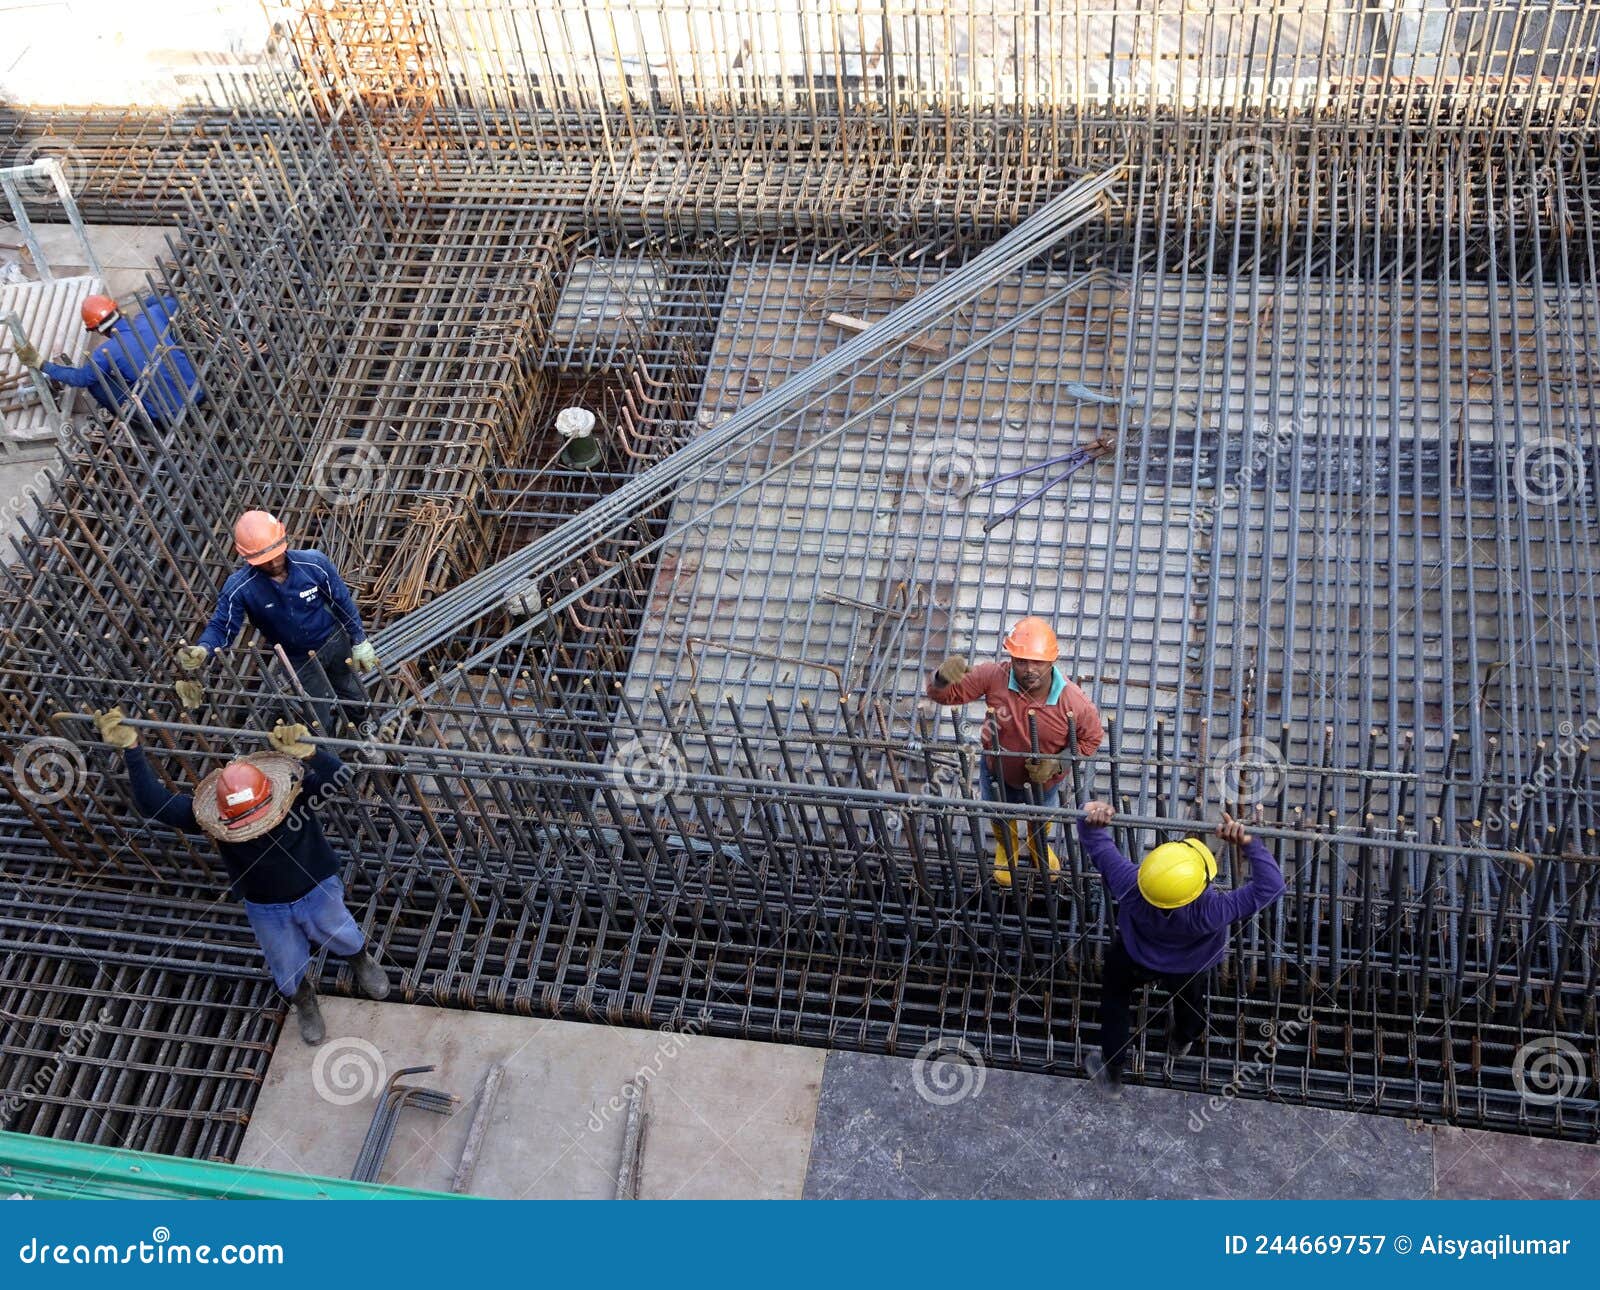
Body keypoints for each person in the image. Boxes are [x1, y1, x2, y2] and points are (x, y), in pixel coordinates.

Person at [94, 709, 389, 1045]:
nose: (252, 829)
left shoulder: (296, 795)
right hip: (266, 907)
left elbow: (341, 775)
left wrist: (311, 753)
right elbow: (154, 804)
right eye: (243, 824)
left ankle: (360, 961)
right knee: (285, 965)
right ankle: (304, 1000)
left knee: (344, 934)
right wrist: (131, 748)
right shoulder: (214, 819)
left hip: (317, 890)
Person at [1078, 800, 1285, 1088]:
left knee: (1115, 999)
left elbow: (1094, 840)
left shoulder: (1130, 884)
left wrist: (1092, 814)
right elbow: (1272, 885)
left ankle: (1112, 1071)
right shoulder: (1211, 909)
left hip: (1134, 955)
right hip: (1189, 965)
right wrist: (1248, 843)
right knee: (1191, 1004)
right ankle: (1181, 1040)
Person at [927, 616, 1103, 882]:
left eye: (1037, 662)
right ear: (1011, 658)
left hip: (1044, 781)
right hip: (997, 771)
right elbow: (945, 696)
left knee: (1041, 817)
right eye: (1021, 661)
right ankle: (1006, 848)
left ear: (1052, 660)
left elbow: (1092, 738)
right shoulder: (994, 675)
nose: (1029, 669)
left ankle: (1037, 846)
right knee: (999, 813)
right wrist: (941, 679)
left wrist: (1059, 763)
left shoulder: (1074, 701)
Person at [178, 510, 379, 739]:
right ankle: (331, 754)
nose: (274, 562)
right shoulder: (241, 587)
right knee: (316, 712)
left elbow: (342, 601)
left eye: (277, 554)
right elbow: (222, 625)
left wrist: (359, 639)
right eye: (265, 560)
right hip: (296, 658)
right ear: (246, 557)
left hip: (333, 641)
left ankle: (364, 734)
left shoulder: (313, 563)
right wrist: (204, 648)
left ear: (284, 541)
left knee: (352, 692)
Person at [13, 293, 203, 430]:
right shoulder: (148, 317)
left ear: (97, 330)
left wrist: (40, 363)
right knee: (162, 332)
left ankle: (139, 426)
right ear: (118, 310)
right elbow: (170, 301)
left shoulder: (106, 353)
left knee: (97, 383)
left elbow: (80, 379)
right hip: (198, 392)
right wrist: (148, 302)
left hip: (169, 416)